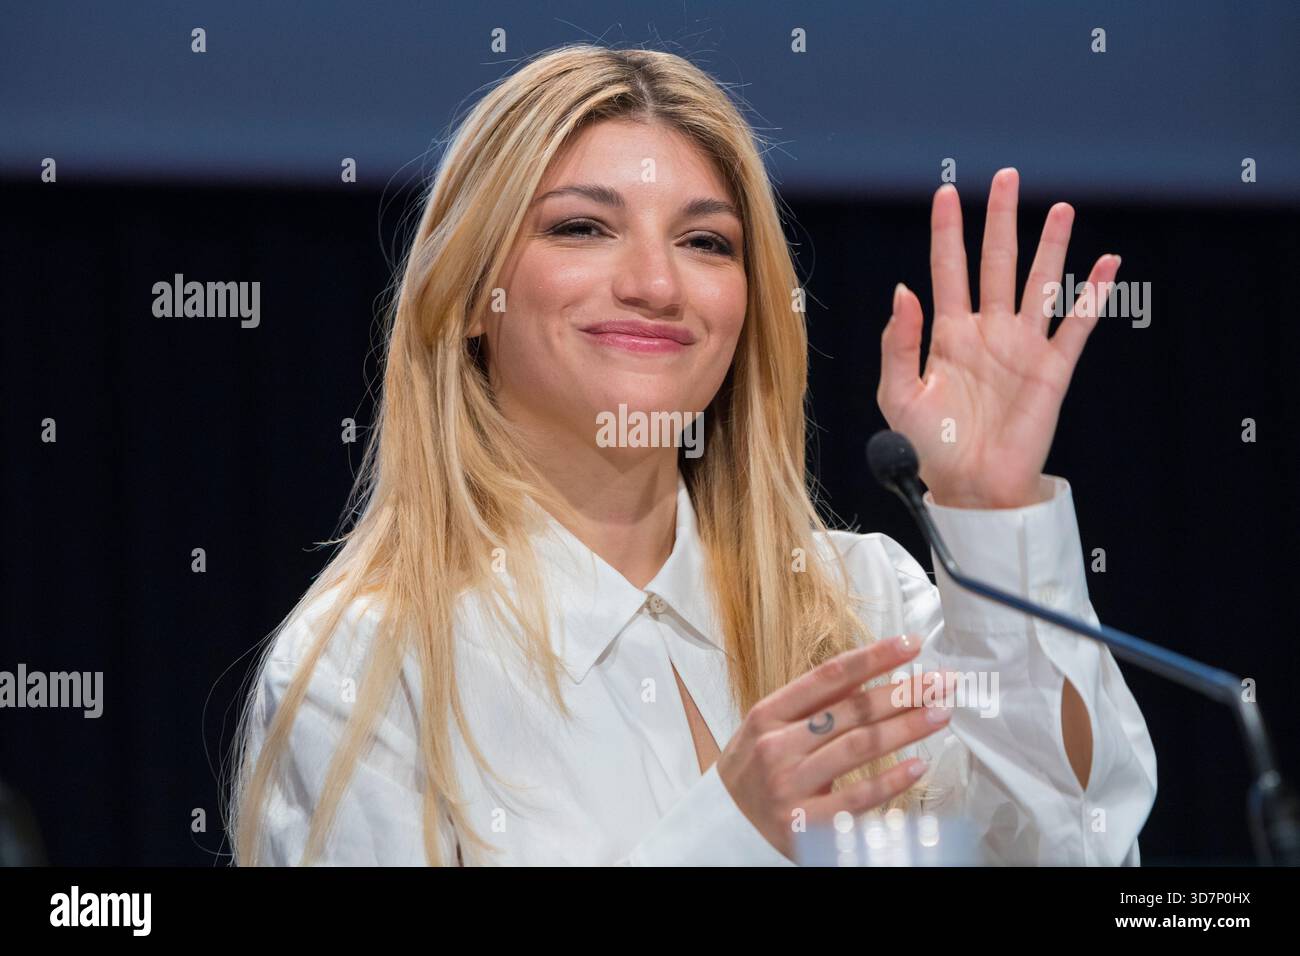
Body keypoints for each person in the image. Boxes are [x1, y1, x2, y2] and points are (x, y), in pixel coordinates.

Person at [227, 43, 1157, 866]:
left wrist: (994, 517)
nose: (656, 283)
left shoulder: (868, 606)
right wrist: (732, 835)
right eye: (582, 227)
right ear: (471, 298)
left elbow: (1071, 846)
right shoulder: (370, 665)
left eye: (705, 241)